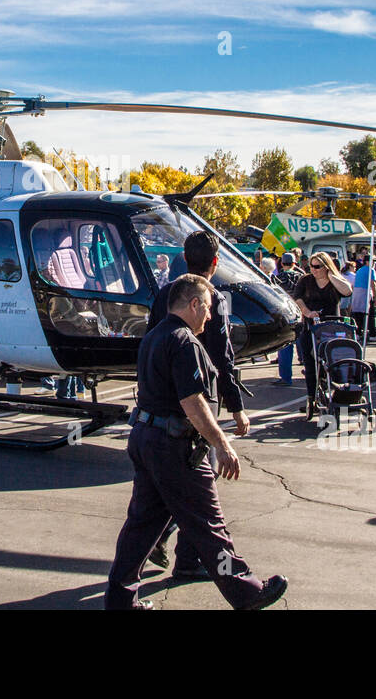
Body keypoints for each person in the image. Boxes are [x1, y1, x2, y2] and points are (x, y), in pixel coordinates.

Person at [105, 274, 287, 610]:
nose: (211, 316)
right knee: (208, 524)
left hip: (147, 438)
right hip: (175, 446)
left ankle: (120, 600)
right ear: (194, 304)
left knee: (142, 526)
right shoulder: (184, 342)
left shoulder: (155, 336)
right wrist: (222, 443)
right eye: (209, 308)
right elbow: (193, 402)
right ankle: (247, 591)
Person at [145, 231, 249, 576]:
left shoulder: (165, 295)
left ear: (183, 258)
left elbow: (151, 339)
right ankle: (193, 562)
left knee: (174, 482)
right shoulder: (211, 299)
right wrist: (235, 406)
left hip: (161, 401)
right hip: (197, 399)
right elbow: (223, 354)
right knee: (199, 485)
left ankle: (166, 547)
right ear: (215, 263)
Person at [291, 252, 352, 419]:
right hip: (311, 326)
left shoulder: (335, 281)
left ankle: (337, 395)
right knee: (311, 363)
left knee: (333, 361)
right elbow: (298, 298)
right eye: (311, 266)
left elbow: (347, 292)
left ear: (326, 266)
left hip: (332, 326)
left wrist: (332, 276)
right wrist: (307, 312)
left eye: (317, 266)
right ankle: (312, 397)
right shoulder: (306, 280)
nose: (314, 270)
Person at [272, 252, 301, 387]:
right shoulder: (300, 277)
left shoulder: (278, 278)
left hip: (285, 314)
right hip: (300, 312)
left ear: (282, 263)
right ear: (294, 263)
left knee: (285, 346)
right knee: (303, 344)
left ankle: (285, 376)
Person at [350, 254, 376, 337]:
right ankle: (372, 335)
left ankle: (357, 333)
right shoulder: (371, 270)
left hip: (356, 293)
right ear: (368, 261)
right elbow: (373, 284)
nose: (373, 263)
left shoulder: (359, 270)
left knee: (357, 314)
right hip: (365, 293)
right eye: (372, 261)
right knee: (370, 314)